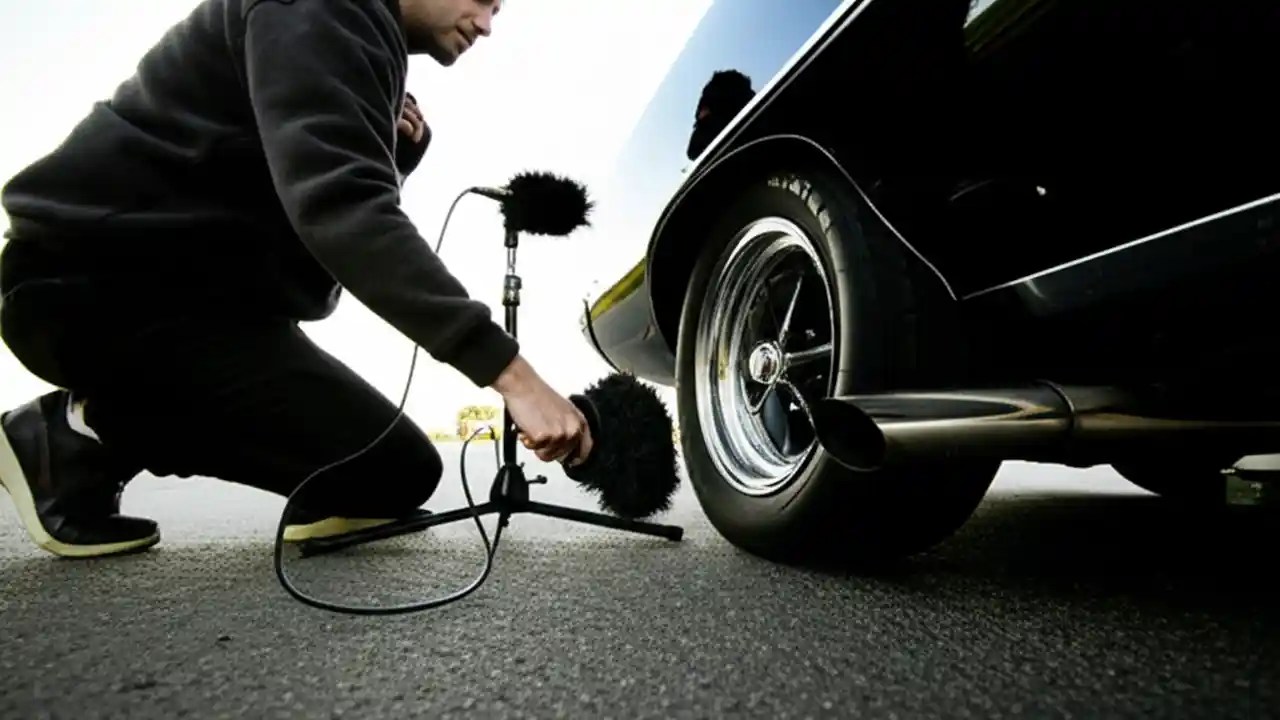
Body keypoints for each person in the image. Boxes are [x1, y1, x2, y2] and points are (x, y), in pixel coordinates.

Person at [0, 0, 593, 559]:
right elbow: (343, 214)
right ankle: (75, 436)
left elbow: (311, 249)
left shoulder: (356, 41)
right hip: (95, 284)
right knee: (378, 469)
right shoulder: (318, 8)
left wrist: (390, 159)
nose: (488, 24)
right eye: (489, 0)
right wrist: (514, 377)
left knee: (391, 472)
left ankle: (92, 443)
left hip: (208, 305)